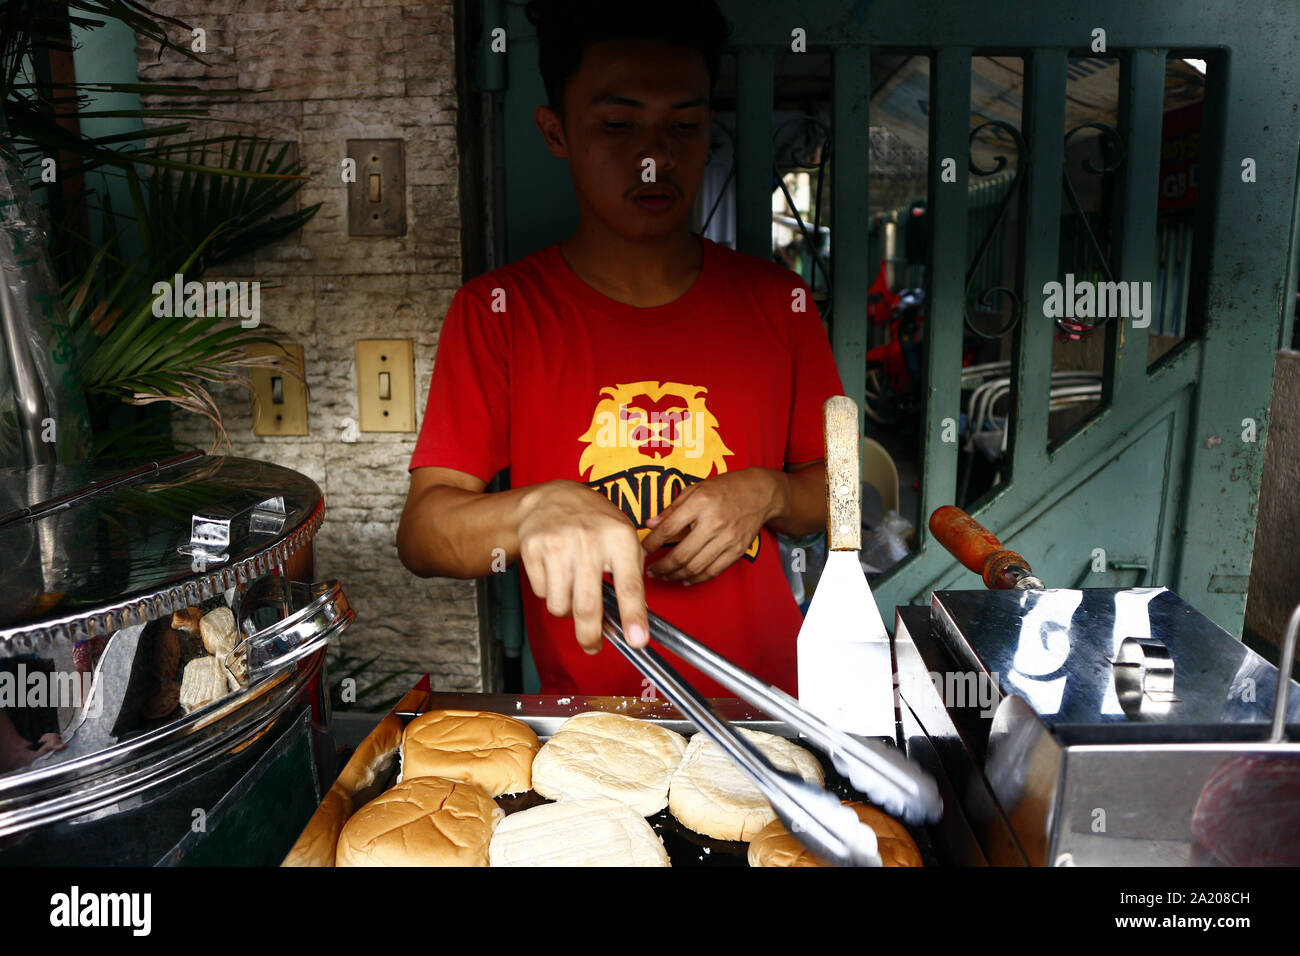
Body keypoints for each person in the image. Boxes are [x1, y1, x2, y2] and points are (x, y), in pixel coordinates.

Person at [397, 0, 845, 697]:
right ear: (556, 132)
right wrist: (528, 511)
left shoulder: (778, 303)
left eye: (684, 126)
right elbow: (424, 533)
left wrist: (769, 492)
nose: (654, 158)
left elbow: (838, 496)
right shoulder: (499, 312)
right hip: (591, 725)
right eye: (617, 124)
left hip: (767, 711)